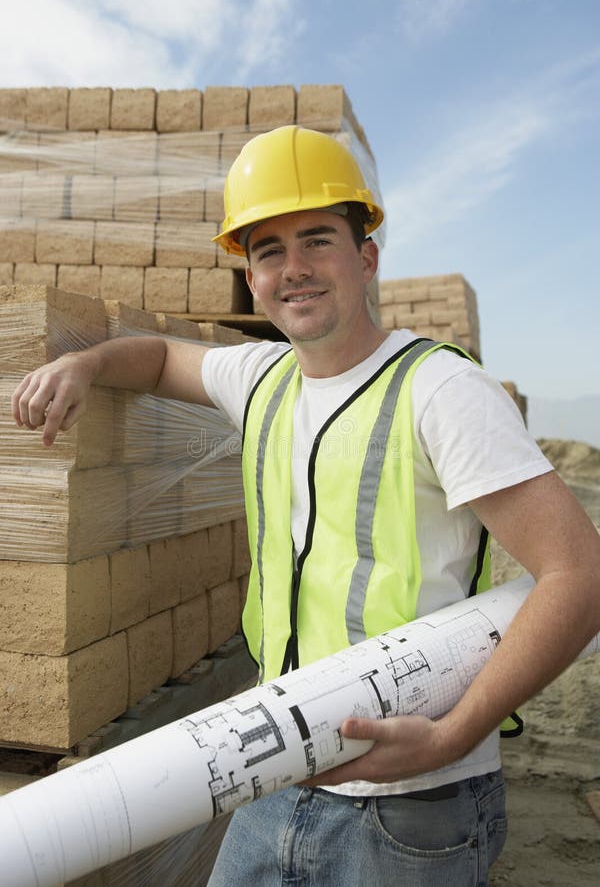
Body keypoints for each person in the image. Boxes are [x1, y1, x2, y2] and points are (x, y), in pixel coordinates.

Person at [12, 125, 600, 886]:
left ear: (366, 258)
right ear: (250, 279)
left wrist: (454, 735)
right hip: (280, 766)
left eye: (317, 241)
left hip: (412, 801)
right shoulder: (261, 378)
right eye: (267, 251)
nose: (293, 270)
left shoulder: (441, 392)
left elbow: (580, 577)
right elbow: (157, 358)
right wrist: (84, 364)